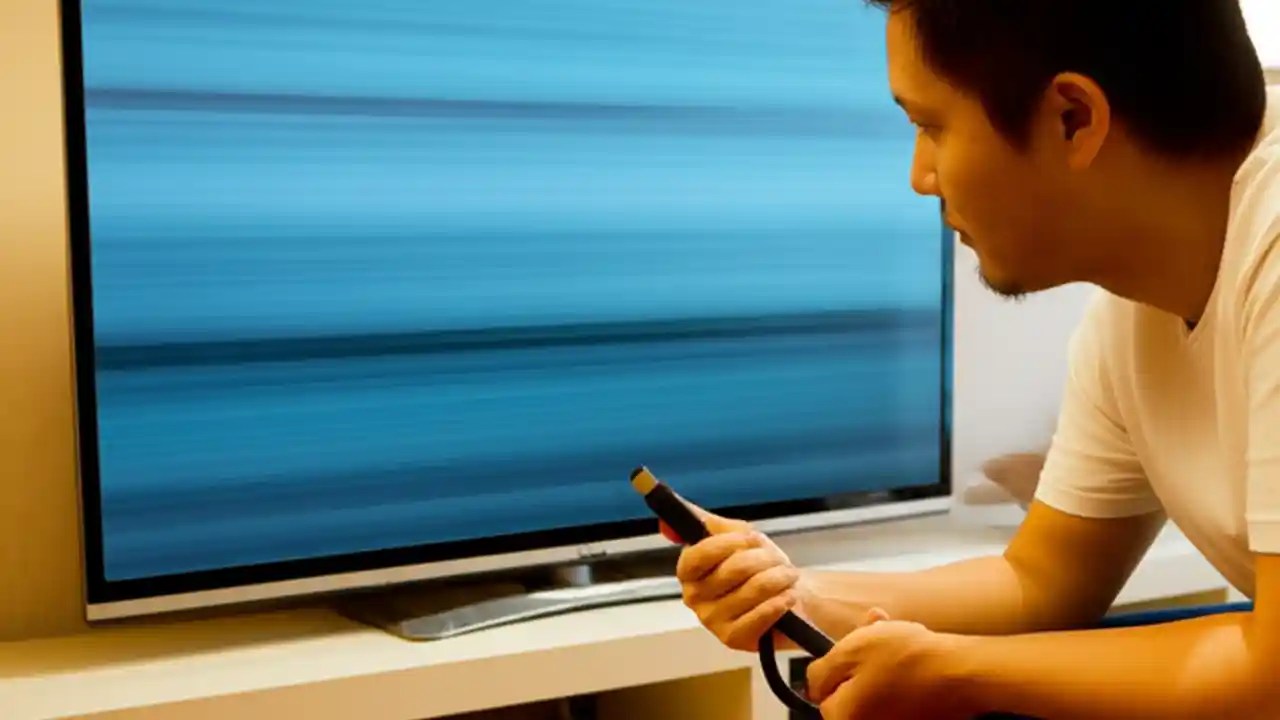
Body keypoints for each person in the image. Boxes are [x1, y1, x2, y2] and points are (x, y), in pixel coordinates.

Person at [670, 2, 1280, 718]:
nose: (920, 176)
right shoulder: (1131, 311)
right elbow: (1042, 581)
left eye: (930, 126)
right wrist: (795, 596)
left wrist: (958, 672)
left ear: (1072, 119)